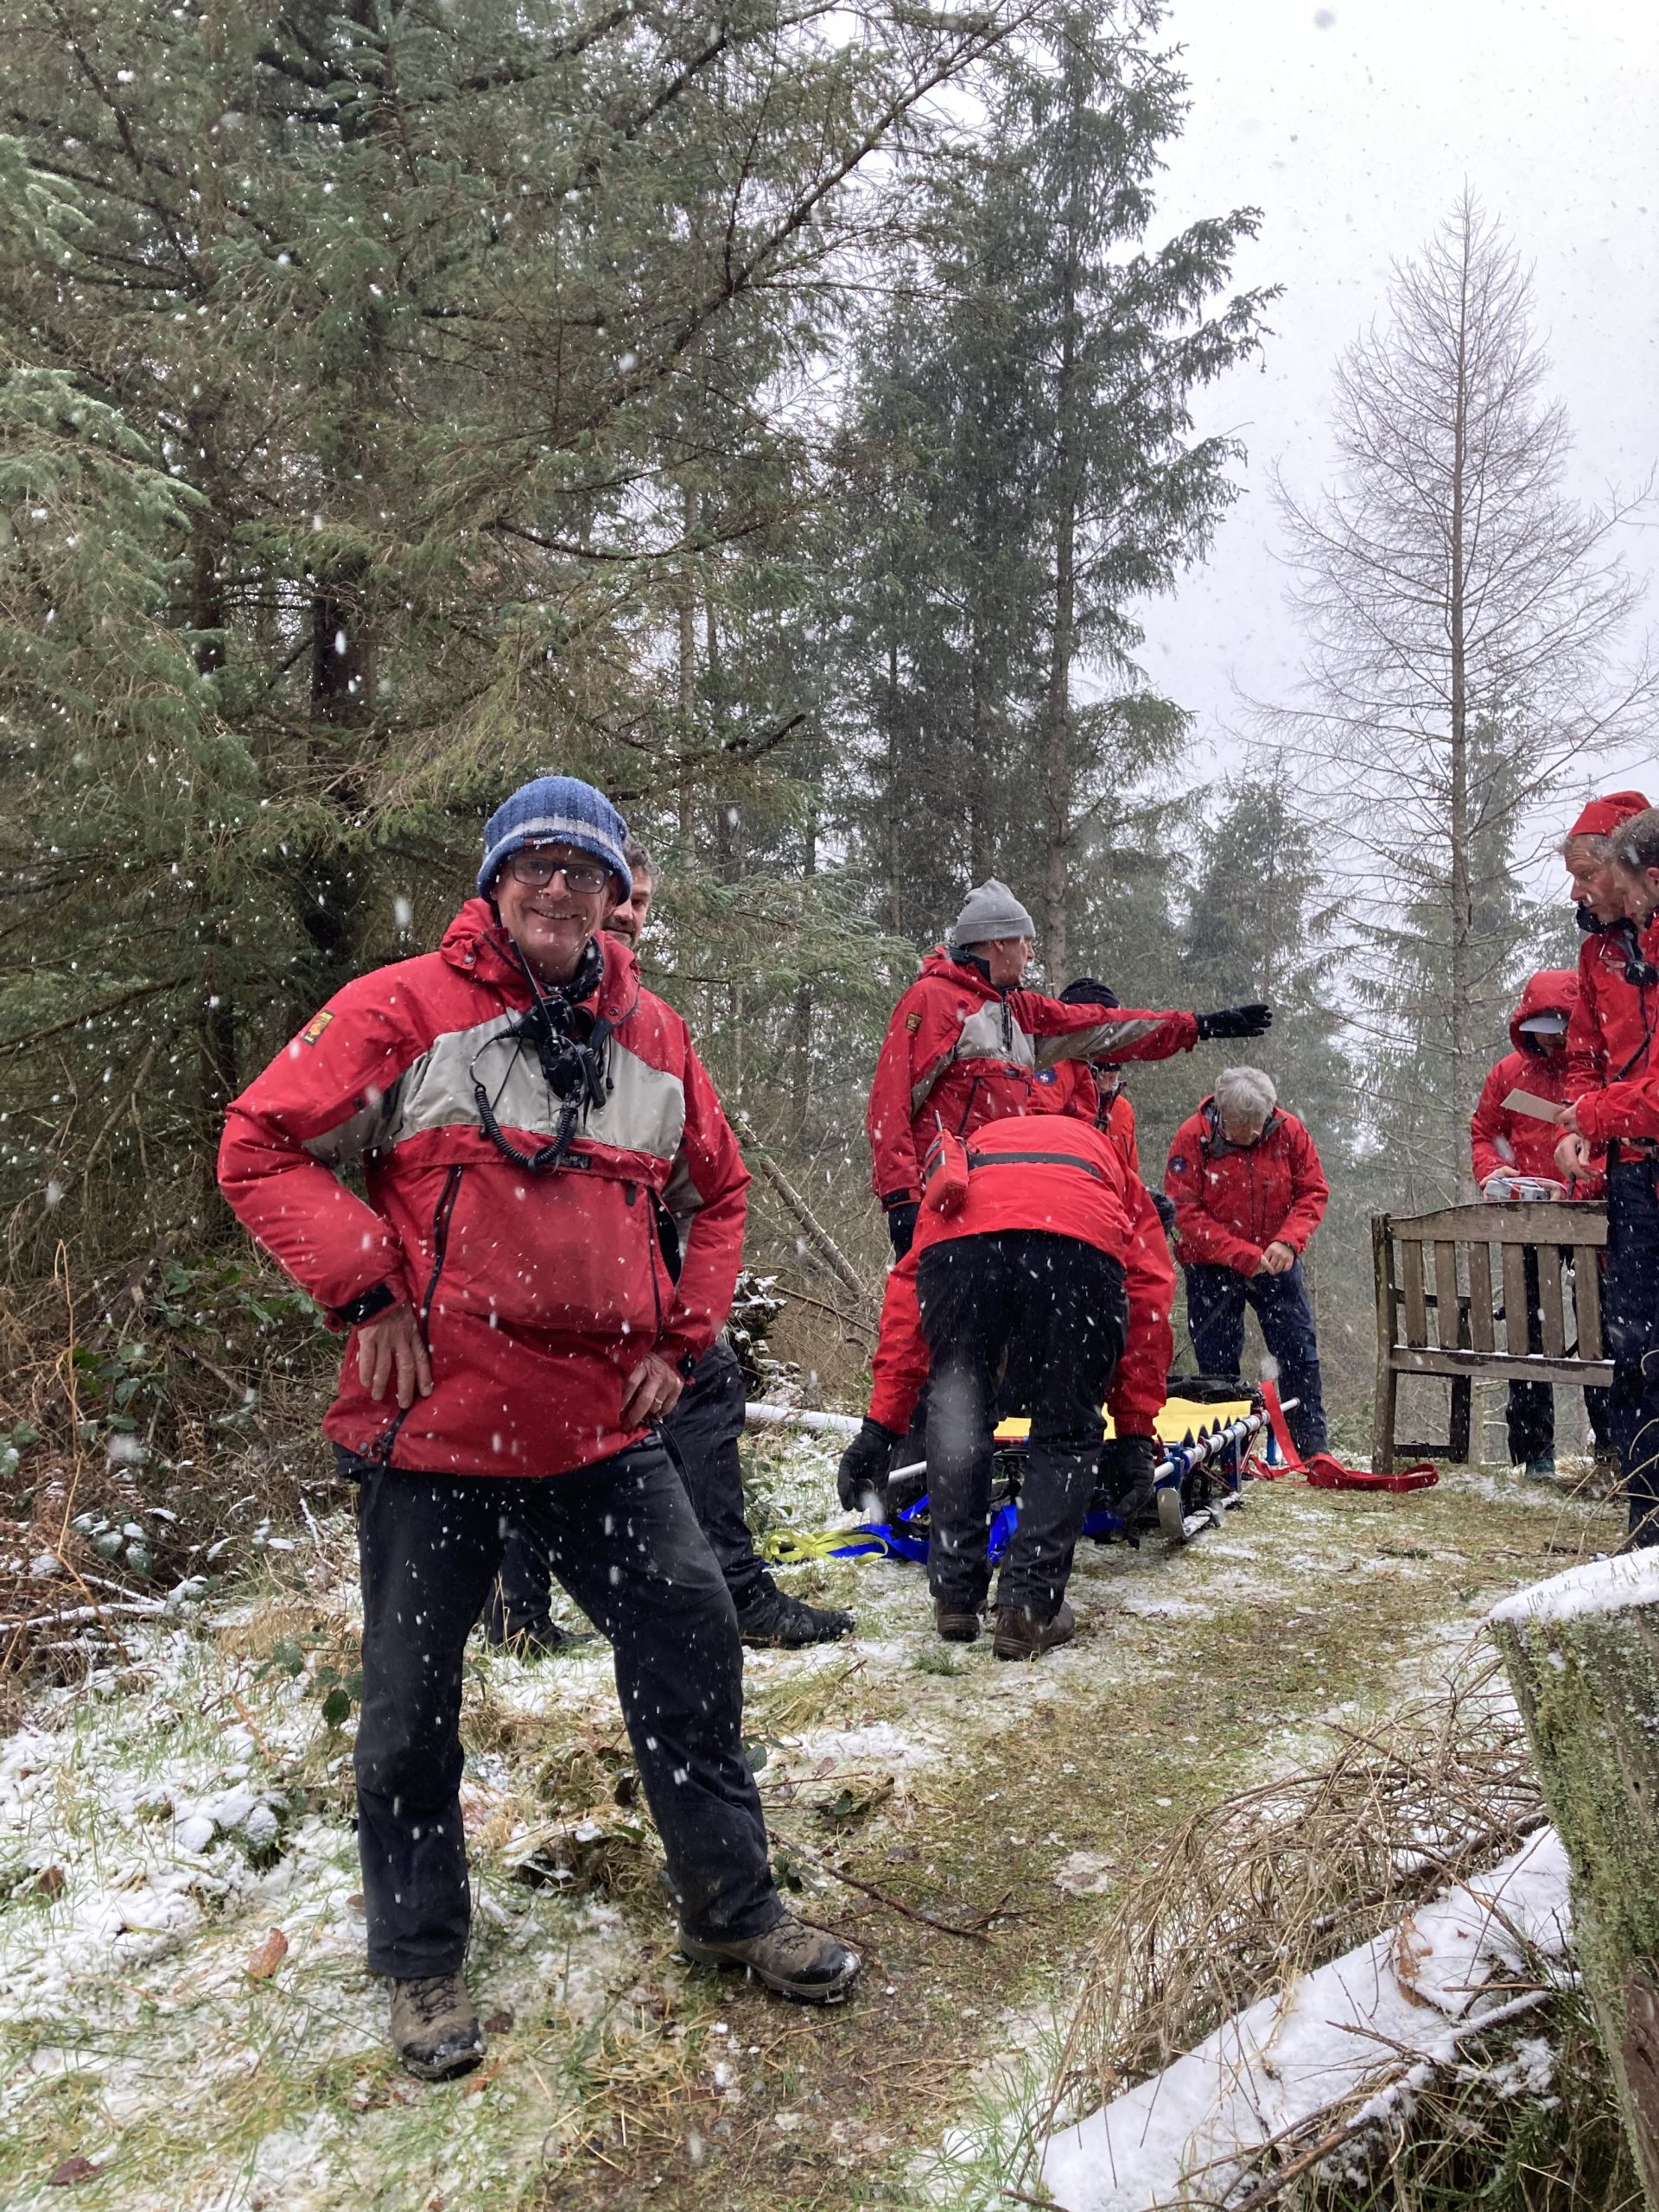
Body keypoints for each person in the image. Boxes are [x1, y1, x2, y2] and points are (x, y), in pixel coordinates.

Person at [219, 775, 858, 2082]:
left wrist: (686, 1340)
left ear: (619, 895)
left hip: (600, 1432)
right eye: (534, 864)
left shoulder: (658, 1040)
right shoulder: (403, 1009)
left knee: (690, 1630)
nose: (557, 886)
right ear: (494, 883)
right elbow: (258, 1143)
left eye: (584, 867)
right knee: (408, 1702)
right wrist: (366, 1287)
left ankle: (732, 1913)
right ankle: (420, 1966)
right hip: (433, 1424)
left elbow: (720, 1193)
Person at [488, 837, 855, 1651]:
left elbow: (707, 1176)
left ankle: (521, 1610)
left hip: (617, 1268)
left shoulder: (639, 1013)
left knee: (558, 1400)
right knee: (700, 1383)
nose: (626, 915)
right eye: (616, 897)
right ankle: (727, 1588)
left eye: (639, 902)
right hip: (554, 1273)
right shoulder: (532, 996)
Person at [836, 1111, 1175, 1659]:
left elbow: (907, 1291)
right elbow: (1149, 1293)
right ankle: (1028, 1610)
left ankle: (955, 1600)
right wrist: (1134, 1429)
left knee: (958, 1417)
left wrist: (881, 1426)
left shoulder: (968, 1153)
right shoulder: (1110, 1165)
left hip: (962, 1253)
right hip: (1078, 1251)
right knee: (1065, 1429)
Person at [867, 878, 1270, 1259]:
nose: (1031, 953)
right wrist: (902, 1198)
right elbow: (891, 1104)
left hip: (999, 1198)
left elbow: (1106, 1027)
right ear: (996, 941)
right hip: (942, 1197)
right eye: (1025, 941)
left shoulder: (1019, 1010)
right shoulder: (932, 1000)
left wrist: (1198, 1025)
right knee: (928, 1325)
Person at [1555, 800, 1659, 1545]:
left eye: (1587, 875)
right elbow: (1584, 1058)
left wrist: (1600, 1113)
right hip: (1628, 1173)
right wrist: (1577, 1124)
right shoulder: (1599, 956)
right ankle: (1642, 1505)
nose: (1580, 894)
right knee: (1632, 1343)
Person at [1471, 967, 1611, 1476]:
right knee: (1529, 1332)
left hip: (1587, 1222)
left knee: (1602, 1333)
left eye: (1559, 1031)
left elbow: (1616, 1147)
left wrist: (1580, 1184)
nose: (1549, 1044)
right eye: (1540, 1032)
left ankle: (1613, 1446)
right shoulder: (1508, 1073)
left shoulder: (1597, 1075)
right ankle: (1535, 1453)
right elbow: (1483, 1133)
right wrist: (1493, 1171)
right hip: (1527, 1222)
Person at [1164, 1067, 1330, 1458]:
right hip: (1211, 1267)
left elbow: (1313, 1190)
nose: (1255, 1133)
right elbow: (1185, 1213)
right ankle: (1224, 1458)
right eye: (1245, 1126)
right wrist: (1242, 1255)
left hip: (1278, 1262)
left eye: (1260, 1123)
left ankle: (1311, 1452)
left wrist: (1289, 1242)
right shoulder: (1192, 1138)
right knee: (1217, 1365)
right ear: (1223, 1115)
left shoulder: (1289, 1131)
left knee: (1299, 1354)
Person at [1031, 978, 1141, 1173]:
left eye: (1113, 1079)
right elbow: (1036, 1143)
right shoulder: (1052, 1075)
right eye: (1103, 1076)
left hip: (1101, 1197)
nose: (1107, 1086)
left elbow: (1129, 1172)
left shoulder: (1122, 1111)